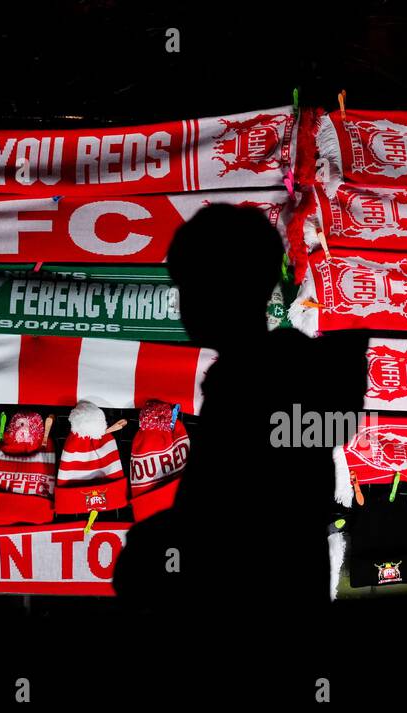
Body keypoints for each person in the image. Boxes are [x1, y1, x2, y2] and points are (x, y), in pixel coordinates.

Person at [114, 204, 369, 613]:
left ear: (214, 296)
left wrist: (155, 546)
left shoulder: (251, 386)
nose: (182, 306)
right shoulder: (275, 373)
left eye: (188, 289)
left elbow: (231, 516)